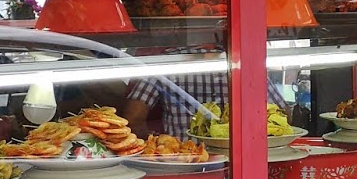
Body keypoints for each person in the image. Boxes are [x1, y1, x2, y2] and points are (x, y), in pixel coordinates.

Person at [123, 70, 286, 139]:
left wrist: (160, 146)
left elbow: (132, 118)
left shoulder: (165, 65)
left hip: (184, 167)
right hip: (240, 170)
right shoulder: (243, 62)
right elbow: (283, 116)